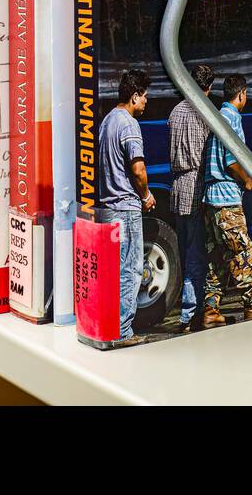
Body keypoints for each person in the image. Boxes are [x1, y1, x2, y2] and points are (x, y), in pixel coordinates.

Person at [201, 74, 252, 327]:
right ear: (242, 94)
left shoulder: (216, 116)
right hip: (227, 197)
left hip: (210, 199)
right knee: (244, 251)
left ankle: (211, 310)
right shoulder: (232, 119)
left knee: (219, 257)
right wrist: (248, 180)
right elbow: (231, 161)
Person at [95, 69, 156, 341]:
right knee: (131, 269)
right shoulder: (129, 125)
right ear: (134, 96)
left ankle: (109, 326)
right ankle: (122, 331)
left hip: (107, 207)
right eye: (144, 97)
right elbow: (138, 169)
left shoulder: (107, 121)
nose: (146, 102)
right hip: (126, 207)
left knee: (112, 272)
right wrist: (146, 196)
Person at [166, 63, 215, 330]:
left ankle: (188, 308)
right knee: (197, 252)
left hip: (177, 186)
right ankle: (190, 313)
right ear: (206, 88)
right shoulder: (204, 112)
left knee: (184, 250)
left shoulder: (174, 112)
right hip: (196, 185)